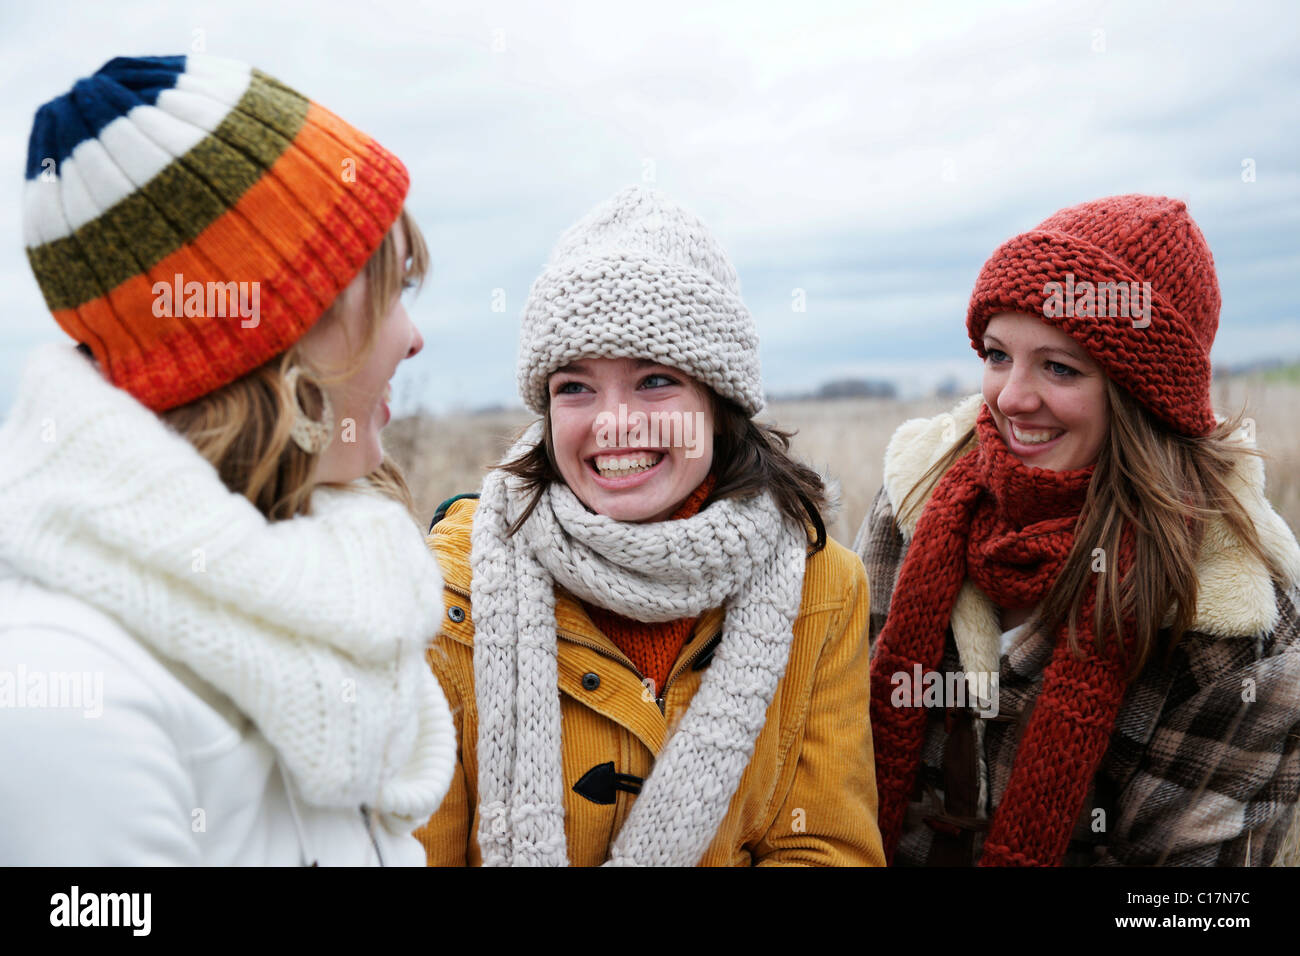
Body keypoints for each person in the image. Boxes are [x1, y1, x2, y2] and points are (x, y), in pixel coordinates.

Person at [0, 54, 454, 865]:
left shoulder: (338, 599)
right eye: (390, 291)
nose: (412, 338)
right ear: (277, 340)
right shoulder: (69, 689)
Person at [415, 186, 885, 866]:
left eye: (654, 380)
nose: (613, 423)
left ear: (718, 401)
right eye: (574, 387)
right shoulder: (452, 588)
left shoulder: (823, 586)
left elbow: (824, 850)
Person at [854, 194, 1300, 866]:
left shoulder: (1236, 625)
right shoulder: (916, 499)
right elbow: (826, 760)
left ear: (1140, 396)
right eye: (998, 355)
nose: (1009, 397)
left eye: (1059, 367)